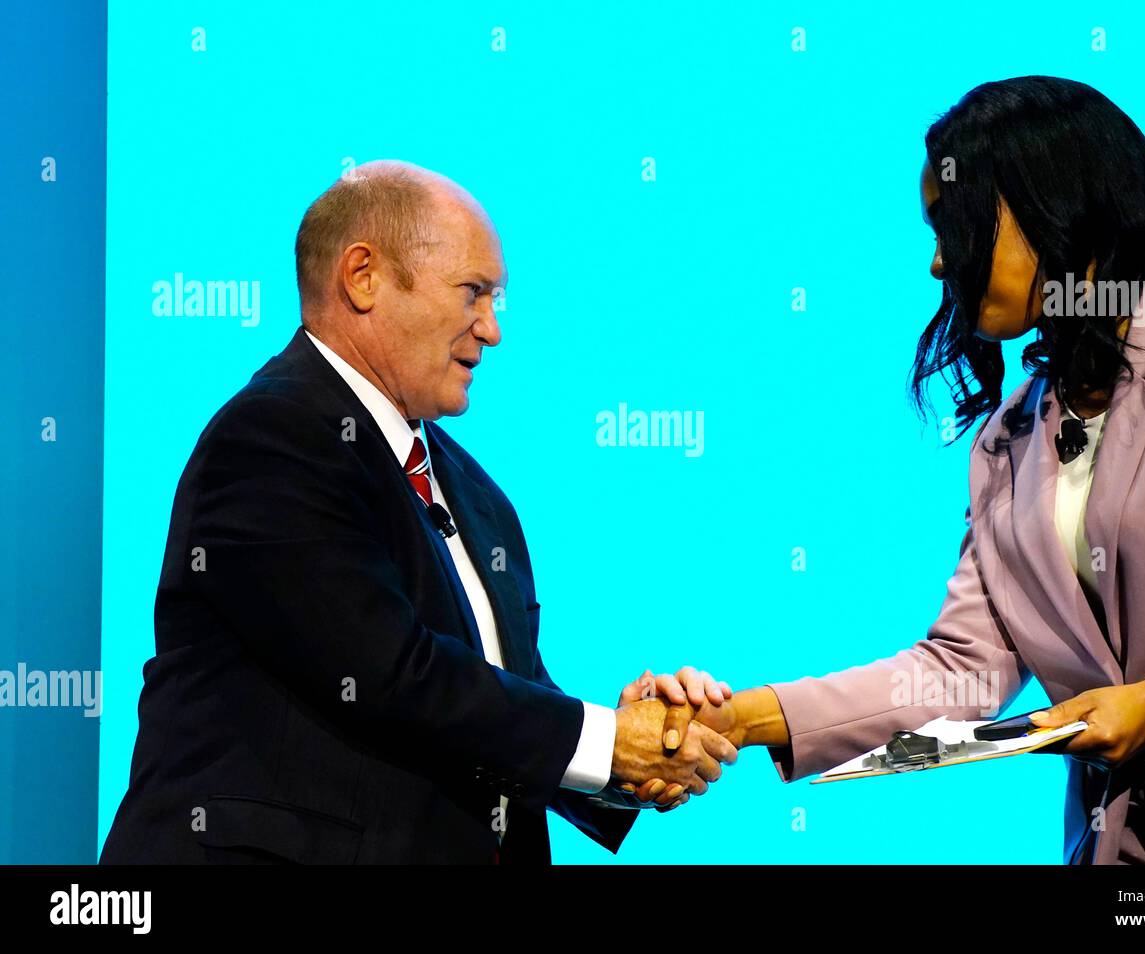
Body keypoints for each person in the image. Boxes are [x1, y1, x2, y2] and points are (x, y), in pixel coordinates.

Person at [656, 76, 1145, 864]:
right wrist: (743, 719)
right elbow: (959, 674)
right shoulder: (1009, 440)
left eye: (954, 224)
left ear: (1053, 204)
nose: (936, 262)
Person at [100, 161, 736, 864]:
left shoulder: (475, 491)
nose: (492, 330)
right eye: (473, 293)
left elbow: (498, 704)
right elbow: (393, 677)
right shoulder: (275, 439)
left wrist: (637, 747)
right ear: (363, 276)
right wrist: (606, 741)